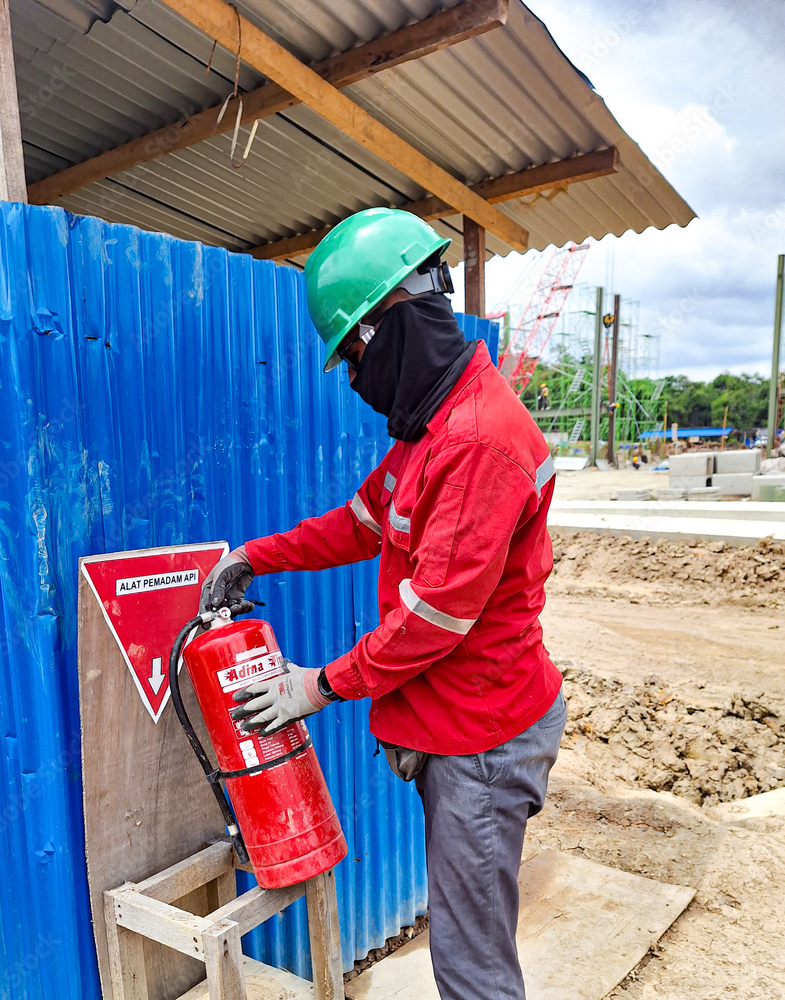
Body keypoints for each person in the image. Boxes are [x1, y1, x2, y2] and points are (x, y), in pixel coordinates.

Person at [201, 208, 565, 1000]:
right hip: (459, 722)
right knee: (466, 938)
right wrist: (253, 557)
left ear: (390, 321)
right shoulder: (430, 426)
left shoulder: (474, 440)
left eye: (355, 351)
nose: (358, 374)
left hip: (482, 738)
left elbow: (435, 618)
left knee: (471, 966)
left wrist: (315, 685)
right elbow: (360, 522)